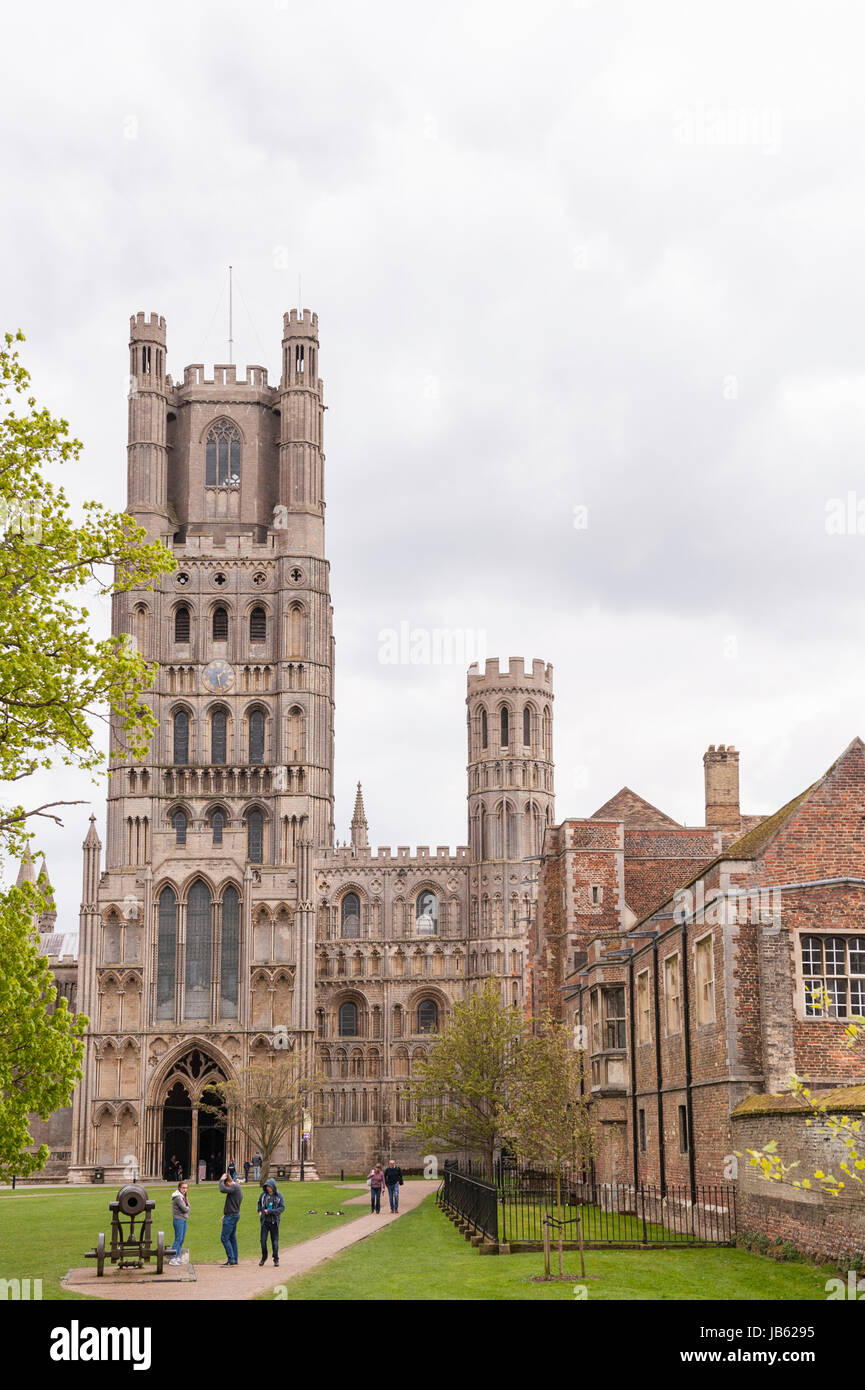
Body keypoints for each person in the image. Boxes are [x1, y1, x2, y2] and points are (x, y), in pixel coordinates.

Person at [257, 1179, 285, 1266]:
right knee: (263, 1241)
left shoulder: (279, 1196)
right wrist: (259, 1211)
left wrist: (270, 1211)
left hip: (274, 1222)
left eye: (269, 1186)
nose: (268, 1188)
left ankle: (276, 1259)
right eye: (267, 1187)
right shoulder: (263, 1195)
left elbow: (282, 1208)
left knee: (275, 1242)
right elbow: (259, 1204)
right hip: (265, 1222)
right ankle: (264, 1257)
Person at [218, 1170, 243, 1266]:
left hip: (231, 1216)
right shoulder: (236, 1188)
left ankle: (231, 1259)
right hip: (233, 1214)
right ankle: (234, 1259)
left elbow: (222, 1189)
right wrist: (226, 1214)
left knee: (224, 1238)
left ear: (228, 1183)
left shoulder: (234, 1187)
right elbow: (232, 1203)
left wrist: (221, 1180)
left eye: (226, 1185)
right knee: (232, 1237)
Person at [169, 1179, 190, 1266]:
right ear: (179, 1188)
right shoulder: (177, 1198)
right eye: (183, 1188)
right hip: (178, 1219)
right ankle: (172, 1258)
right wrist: (187, 1207)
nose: (185, 1189)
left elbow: (187, 1207)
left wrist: (187, 1207)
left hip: (184, 1219)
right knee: (178, 1238)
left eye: (186, 1188)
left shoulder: (183, 1197)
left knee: (181, 1239)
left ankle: (177, 1257)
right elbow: (185, 1208)